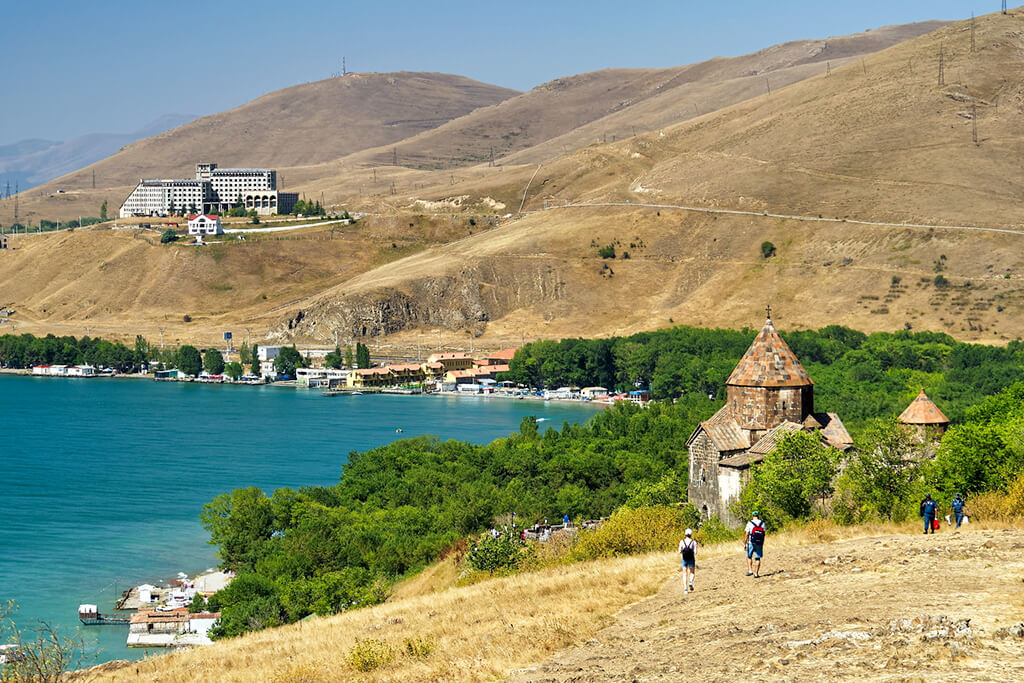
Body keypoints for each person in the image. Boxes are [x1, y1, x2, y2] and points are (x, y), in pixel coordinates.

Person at [744, 512, 765, 578]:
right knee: (757, 558)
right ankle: (756, 573)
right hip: (759, 542)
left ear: (752, 516)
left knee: (749, 556)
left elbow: (747, 534)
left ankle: (750, 571)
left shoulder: (750, 523)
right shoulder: (762, 523)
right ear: (758, 516)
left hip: (751, 542)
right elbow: (763, 533)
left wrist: (745, 543)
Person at [679, 528, 697, 593]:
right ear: (691, 534)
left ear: (685, 534)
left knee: (684, 573)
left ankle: (685, 589)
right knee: (692, 572)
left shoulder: (682, 541)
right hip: (691, 558)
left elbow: (679, 551)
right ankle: (690, 582)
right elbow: (695, 552)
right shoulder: (693, 542)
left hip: (684, 559)